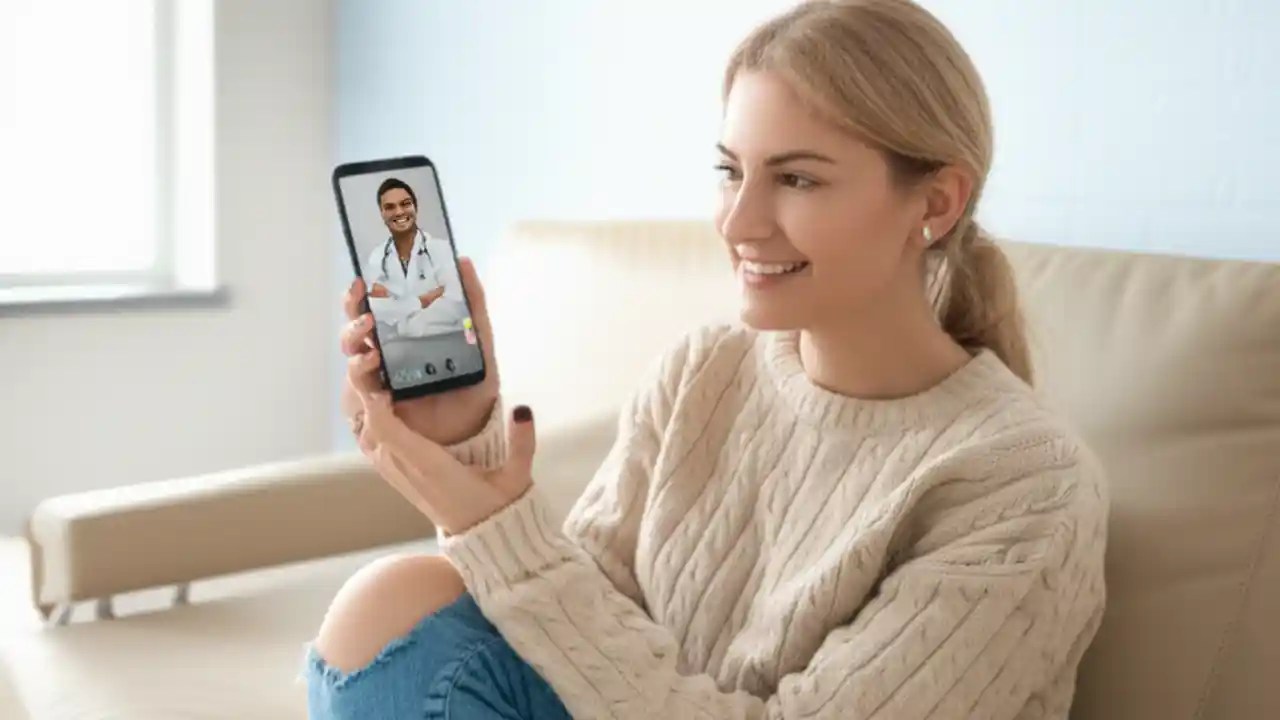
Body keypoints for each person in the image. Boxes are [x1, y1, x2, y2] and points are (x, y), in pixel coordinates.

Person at [305, 1, 1109, 718]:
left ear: (934, 203)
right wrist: (467, 439)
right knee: (390, 606)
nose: (738, 222)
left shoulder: (1022, 484)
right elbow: (587, 632)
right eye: (730, 172)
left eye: (796, 178)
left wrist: (486, 523)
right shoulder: (706, 371)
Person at [364, 178, 467, 339]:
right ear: (382, 214)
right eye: (390, 207)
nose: (399, 212)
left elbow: (456, 303)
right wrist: (422, 301)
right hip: (399, 354)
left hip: (444, 344)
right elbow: (372, 308)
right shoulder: (377, 257)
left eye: (405, 204)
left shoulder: (441, 249)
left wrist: (404, 321)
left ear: (415, 207)